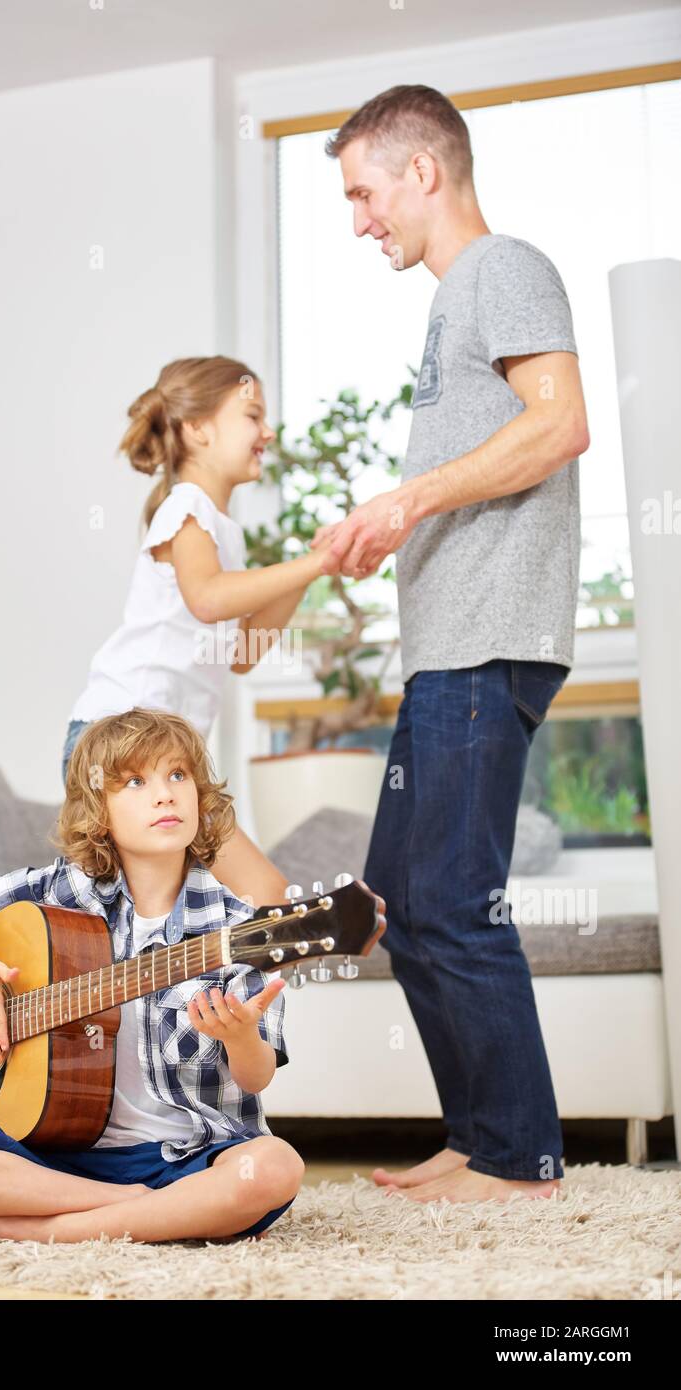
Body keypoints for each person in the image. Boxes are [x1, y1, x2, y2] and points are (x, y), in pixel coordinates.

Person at [314, 84, 590, 1205]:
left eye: (362, 191)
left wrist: (404, 501)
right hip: (446, 654)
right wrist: (402, 521)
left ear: (422, 173)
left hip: (485, 644)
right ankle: (478, 1139)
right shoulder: (453, 303)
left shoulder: (502, 265)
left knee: (452, 898)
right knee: (393, 898)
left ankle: (518, 1159)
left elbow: (560, 421)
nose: (357, 219)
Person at [0, 708, 326, 1245]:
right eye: (136, 782)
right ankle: (132, 1212)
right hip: (58, 1160)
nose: (164, 795)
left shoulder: (239, 926)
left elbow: (256, 1078)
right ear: (100, 812)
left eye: (178, 776)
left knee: (276, 1167)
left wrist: (238, 1038)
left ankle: (36, 1231)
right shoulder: (64, 891)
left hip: (186, 1159)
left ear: (200, 797)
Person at [63, 354, 341, 907]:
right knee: (265, 897)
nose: (268, 432)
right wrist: (312, 566)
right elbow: (209, 599)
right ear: (197, 429)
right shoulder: (186, 507)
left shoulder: (221, 528)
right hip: (122, 739)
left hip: (160, 751)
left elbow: (240, 653)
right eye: (253, 415)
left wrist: (312, 569)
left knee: (242, 902)